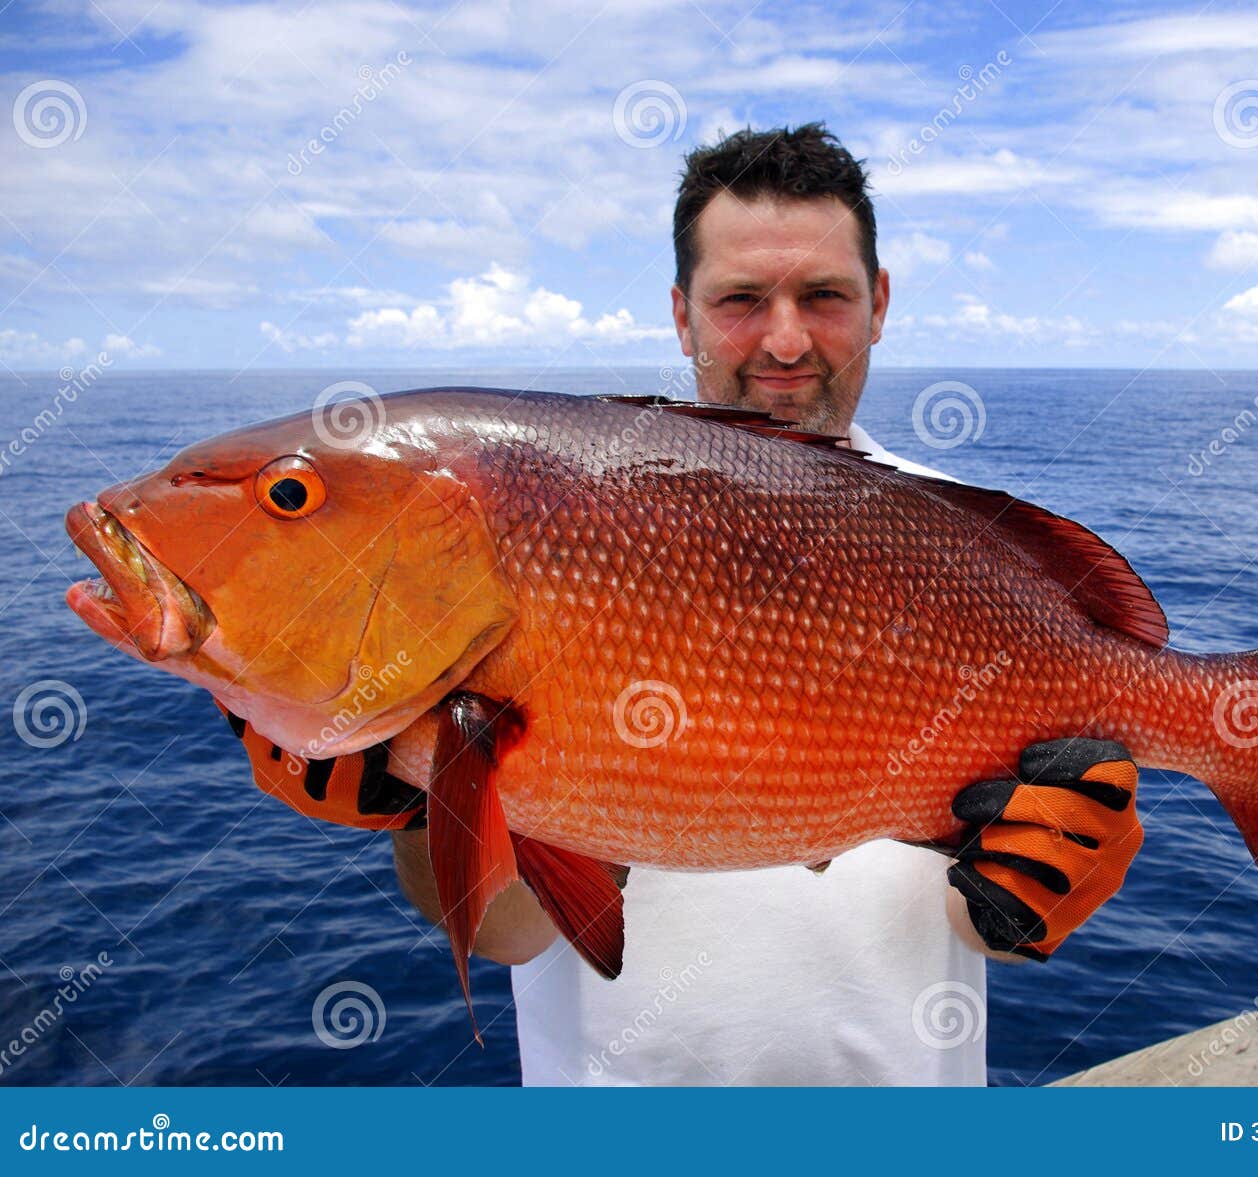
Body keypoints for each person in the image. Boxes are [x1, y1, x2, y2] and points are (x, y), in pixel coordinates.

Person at [229, 124, 1144, 1086]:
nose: (785, 338)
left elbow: (979, 928)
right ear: (683, 316)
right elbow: (507, 931)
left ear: (879, 304)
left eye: (823, 296)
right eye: (742, 300)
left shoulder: (969, 546)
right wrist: (420, 812)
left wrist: (1048, 887)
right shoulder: (567, 516)